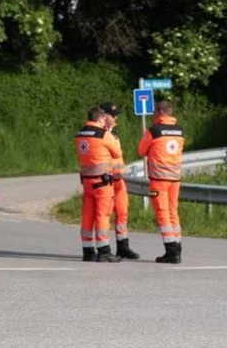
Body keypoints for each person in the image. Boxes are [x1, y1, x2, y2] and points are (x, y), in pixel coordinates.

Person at [137, 99, 186, 264]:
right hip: (175, 179)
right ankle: (177, 247)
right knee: (173, 211)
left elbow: (141, 150)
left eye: (154, 112)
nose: (152, 115)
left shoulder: (154, 130)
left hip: (158, 180)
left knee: (162, 212)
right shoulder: (180, 131)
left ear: (160, 112)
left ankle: (171, 251)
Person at [74, 106, 121, 263]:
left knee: (88, 215)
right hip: (102, 181)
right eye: (103, 120)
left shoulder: (79, 134)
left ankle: (87, 251)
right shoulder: (103, 134)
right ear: (100, 118)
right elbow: (117, 153)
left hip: (87, 181)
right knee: (102, 215)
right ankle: (104, 251)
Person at [99, 101, 140, 260]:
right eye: (113, 114)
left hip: (119, 179)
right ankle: (103, 248)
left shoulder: (113, 132)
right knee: (105, 213)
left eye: (116, 114)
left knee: (122, 212)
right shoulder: (99, 133)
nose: (116, 117)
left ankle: (123, 246)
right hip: (107, 179)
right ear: (104, 116)